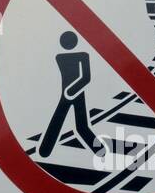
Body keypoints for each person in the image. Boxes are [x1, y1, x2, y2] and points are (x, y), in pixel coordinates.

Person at [39, 30, 105, 158]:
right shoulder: (63, 57)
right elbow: (85, 77)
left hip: (73, 93)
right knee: (68, 123)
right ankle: (44, 151)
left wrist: (70, 92)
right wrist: (69, 93)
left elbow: (86, 77)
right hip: (69, 94)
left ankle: (100, 151)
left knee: (79, 126)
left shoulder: (79, 56)